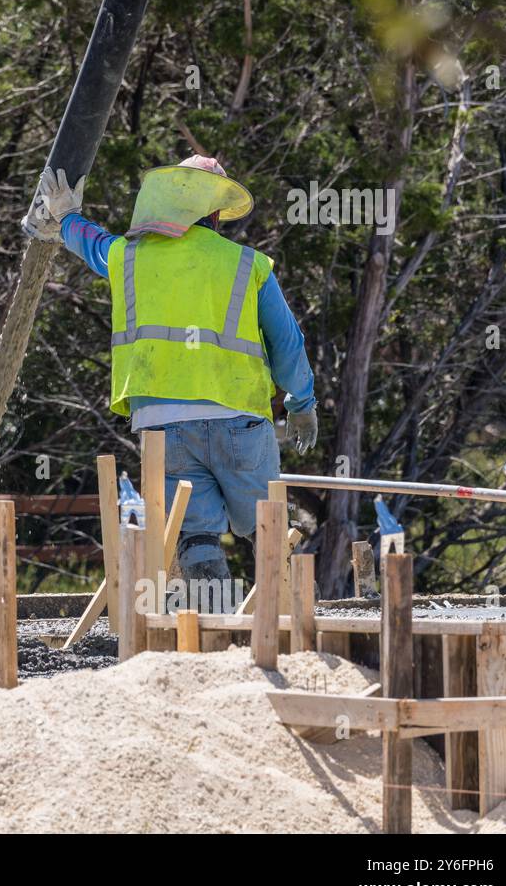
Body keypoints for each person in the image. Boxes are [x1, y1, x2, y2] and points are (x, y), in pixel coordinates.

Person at [23, 155, 317, 605]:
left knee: (196, 535)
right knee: (270, 528)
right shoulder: (247, 265)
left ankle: (215, 630)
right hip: (238, 419)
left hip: (163, 428)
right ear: (214, 212)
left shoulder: (130, 258)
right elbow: (287, 344)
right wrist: (302, 403)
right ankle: (295, 623)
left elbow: (95, 245)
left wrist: (64, 217)